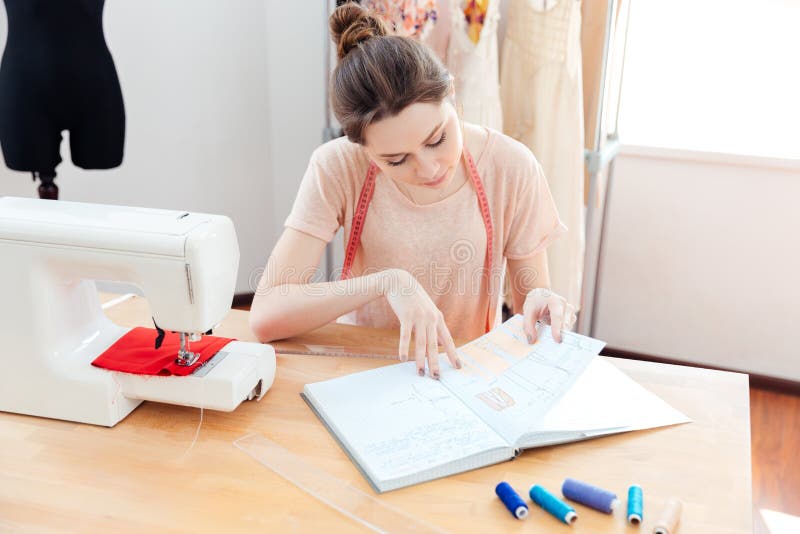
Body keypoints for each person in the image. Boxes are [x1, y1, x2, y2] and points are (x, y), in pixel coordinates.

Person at [250, 2, 574, 379]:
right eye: (396, 160)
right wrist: (388, 282)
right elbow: (266, 315)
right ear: (362, 149)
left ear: (451, 93)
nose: (429, 168)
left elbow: (528, 311)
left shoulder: (511, 167)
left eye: (437, 139)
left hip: (463, 373)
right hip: (365, 371)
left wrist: (540, 302)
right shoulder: (338, 166)